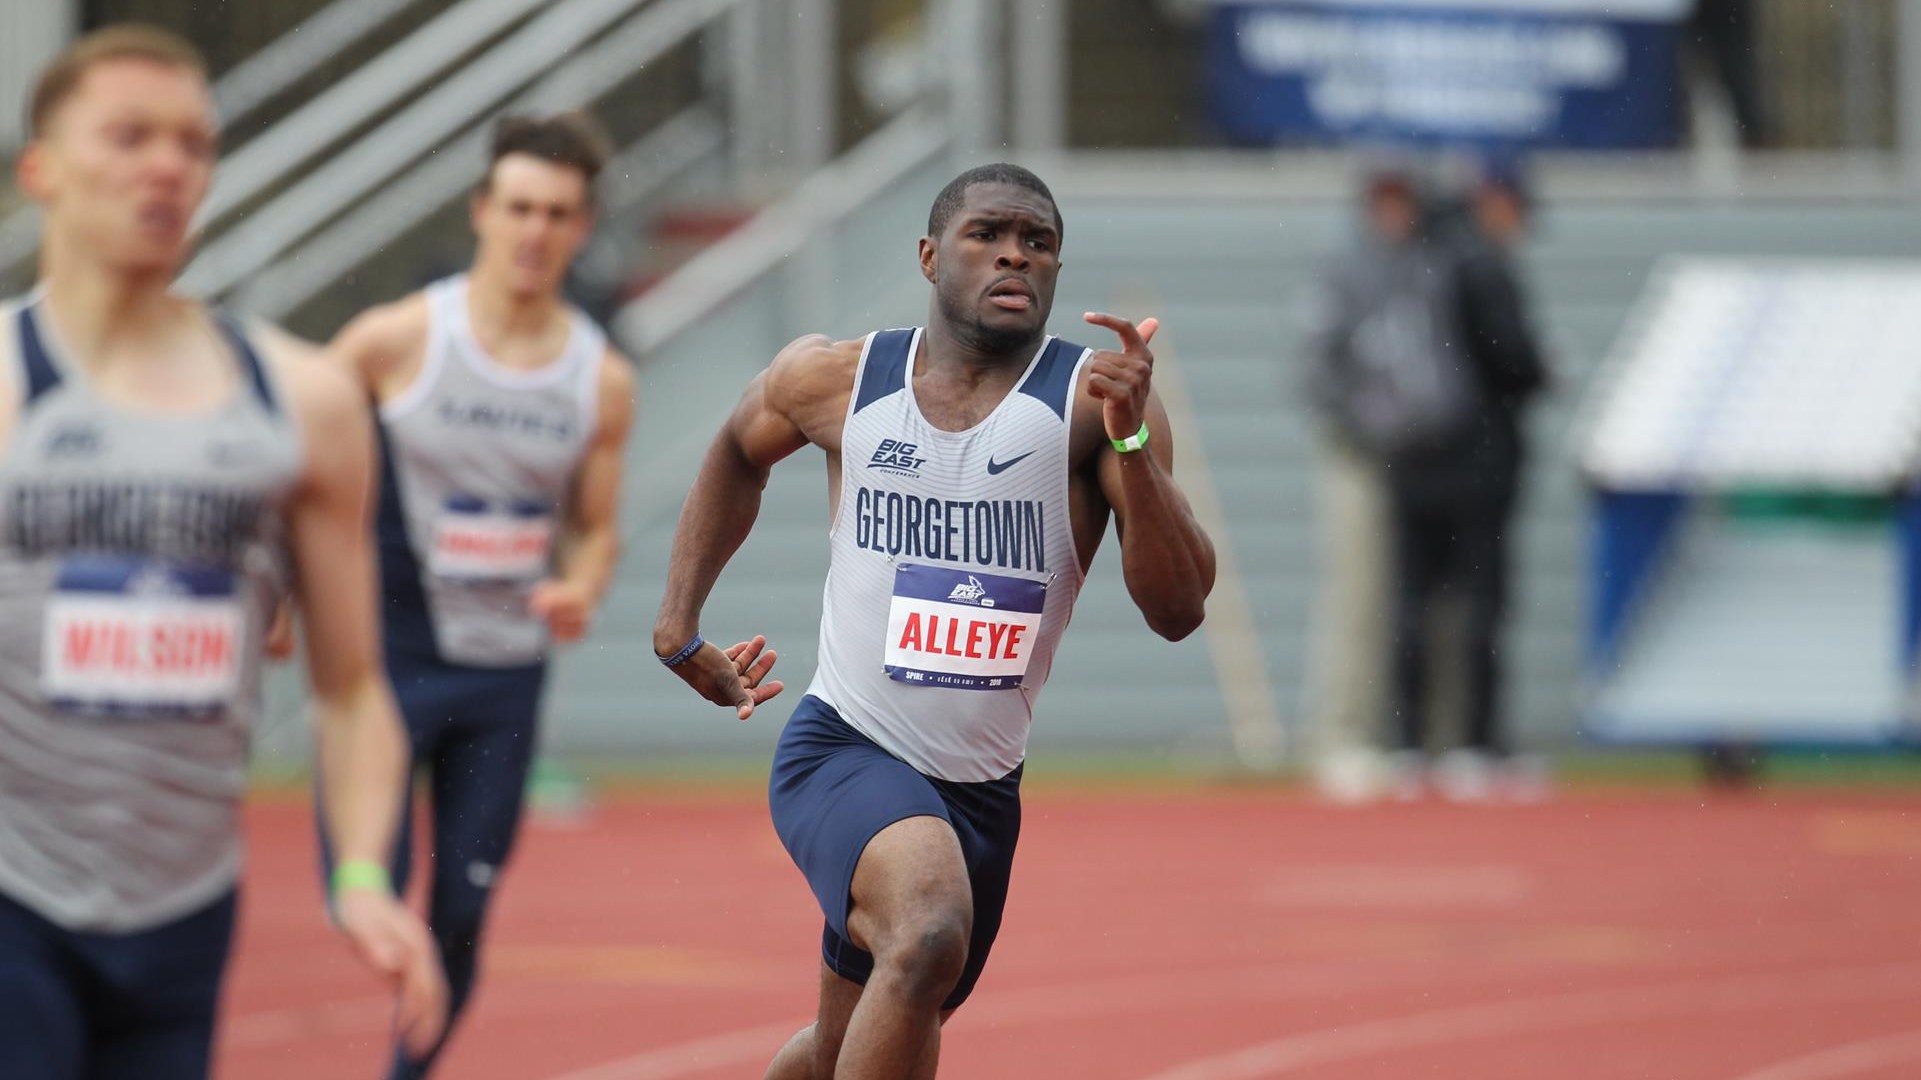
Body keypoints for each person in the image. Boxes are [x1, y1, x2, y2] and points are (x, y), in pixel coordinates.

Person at [654, 162, 1217, 1079]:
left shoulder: (1092, 407)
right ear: (927, 255)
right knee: (924, 932)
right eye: (987, 234)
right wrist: (678, 628)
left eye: (1038, 243)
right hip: (846, 748)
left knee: (845, 1043)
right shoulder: (835, 379)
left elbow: (1178, 611)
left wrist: (1133, 443)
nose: (1014, 254)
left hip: (980, 795)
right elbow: (733, 452)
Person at [0, 25, 445, 1079]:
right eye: (129, 136)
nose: (167, 165)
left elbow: (348, 688)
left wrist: (366, 884)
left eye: (194, 144)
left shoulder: (303, 403)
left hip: (185, 907)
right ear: (43, 171)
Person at [324, 111, 636, 1078]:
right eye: (518, 208)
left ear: (581, 228)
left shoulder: (600, 379)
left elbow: (592, 522)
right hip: (385, 667)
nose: (534, 231)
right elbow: (295, 447)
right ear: (481, 212)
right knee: (361, 886)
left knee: (459, 915)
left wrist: (580, 586)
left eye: (557, 213)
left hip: (504, 679)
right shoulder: (397, 338)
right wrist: (292, 585)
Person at [1387, 161, 1548, 799]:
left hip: (1410, 454)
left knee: (1412, 602)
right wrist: (1541, 371)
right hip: (1479, 460)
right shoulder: (1482, 264)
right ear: (1497, 204)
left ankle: (1409, 748)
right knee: (1482, 601)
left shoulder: (1410, 262)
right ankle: (1476, 748)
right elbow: (1514, 359)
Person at [1299, 168, 1420, 802]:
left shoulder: (1412, 268)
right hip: (1357, 455)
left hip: (1408, 458)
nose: (1398, 217)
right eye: (1388, 204)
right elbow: (1317, 366)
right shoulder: (1346, 270)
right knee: (1354, 595)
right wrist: (1364, 422)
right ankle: (1337, 735)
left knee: (1387, 601)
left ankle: (1373, 732)